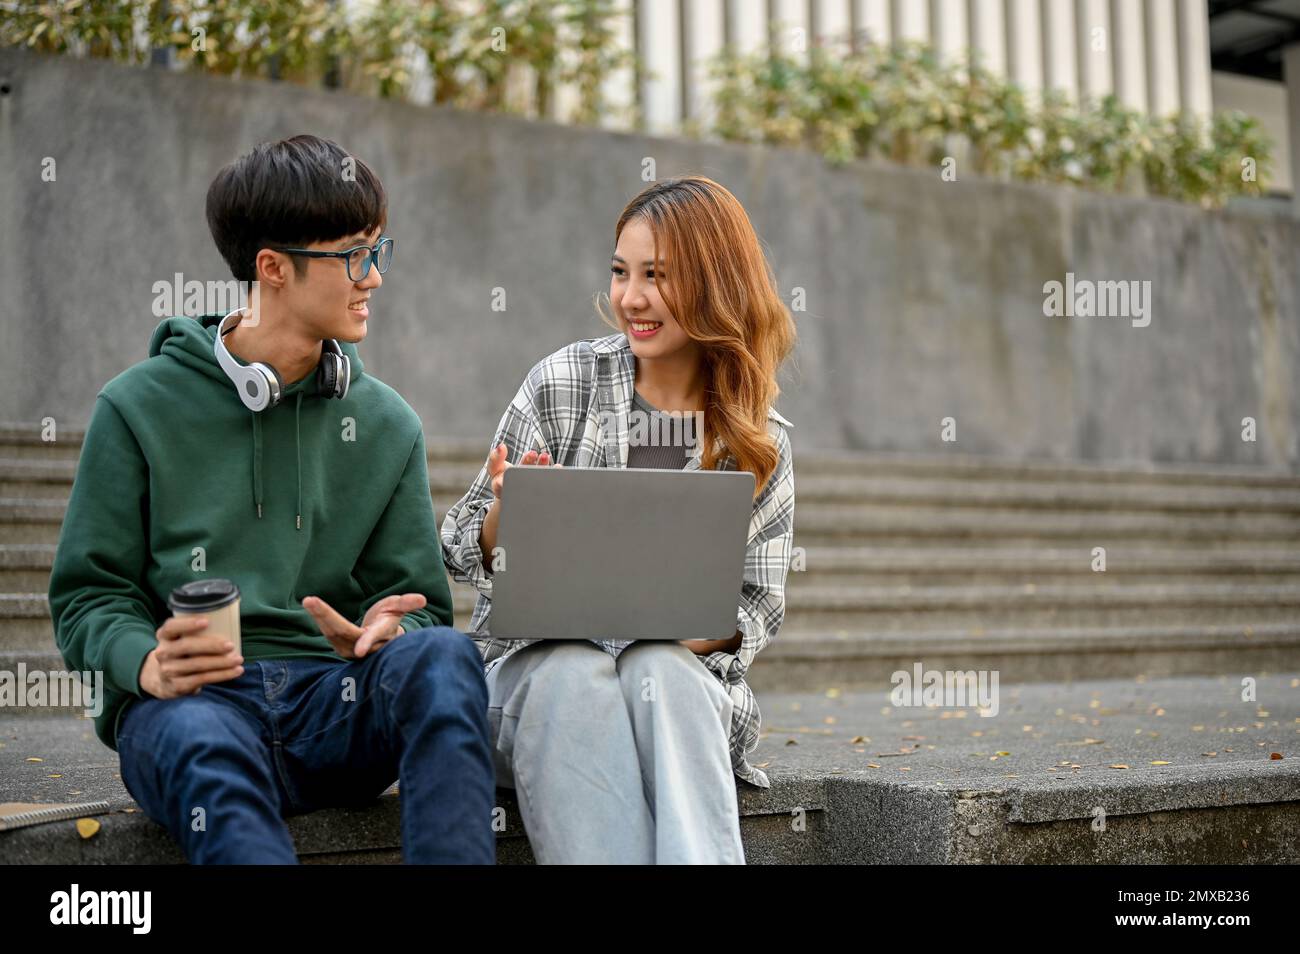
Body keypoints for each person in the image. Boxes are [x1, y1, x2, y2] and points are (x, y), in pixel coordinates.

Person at [47, 134, 495, 864]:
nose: (374, 277)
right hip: (194, 709)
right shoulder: (136, 406)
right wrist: (145, 664)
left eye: (379, 251)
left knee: (447, 658)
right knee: (201, 741)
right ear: (273, 268)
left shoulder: (387, 425)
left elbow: (422, 611)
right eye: (353, 254)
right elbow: (87, 595)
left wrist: (384, 636)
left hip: (334, 706)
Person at [441, 175, 797, 864]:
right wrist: (505, 520)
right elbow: (457, 546)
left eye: (656, 276)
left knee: (658, 669)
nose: (630, 298)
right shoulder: (562, 381)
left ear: (715, 285)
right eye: (621, 272)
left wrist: (684, 627)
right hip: (534, 678)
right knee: (577, 674)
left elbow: (755, 610)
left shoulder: (760, 439)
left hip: (669, 686)